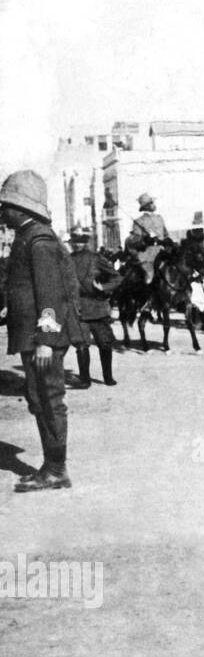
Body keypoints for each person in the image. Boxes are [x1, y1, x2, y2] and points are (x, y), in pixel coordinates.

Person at [1, 170, 87, 491]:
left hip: (43, 338)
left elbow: (50, 293)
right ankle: (51, 466)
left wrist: (46, 340)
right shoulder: (30, 235)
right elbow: (29, 288)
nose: (2, 210)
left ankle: (55, 470)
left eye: (6, 205)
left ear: (21, 208)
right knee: (39, 396)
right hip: (35, 334)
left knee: (49, 398)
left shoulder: (38, 240)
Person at [69, 225, 122, 387]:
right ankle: (85, 379)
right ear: (71, 242)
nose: (78, 244)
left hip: (97, 307)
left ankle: (108, 376)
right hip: (78, 308)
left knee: (105, 343)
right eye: (75, 241)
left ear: (86, 242)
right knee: (81, 345)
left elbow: (117, 277)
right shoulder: (66, 259)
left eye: (81, 241)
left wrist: (104, 288)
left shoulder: (96, 258)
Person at [125, 193, 169, 284]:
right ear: (146, 206)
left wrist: (167, 241)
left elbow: (166, 234)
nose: (154, 204)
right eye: (151, 203)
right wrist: (145, 241)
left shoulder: (159, 218)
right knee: (149, 278)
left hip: (162, 252)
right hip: (148, 255)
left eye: (152, 202)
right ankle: (148, 297)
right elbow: (135, 241)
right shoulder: (139, 221)